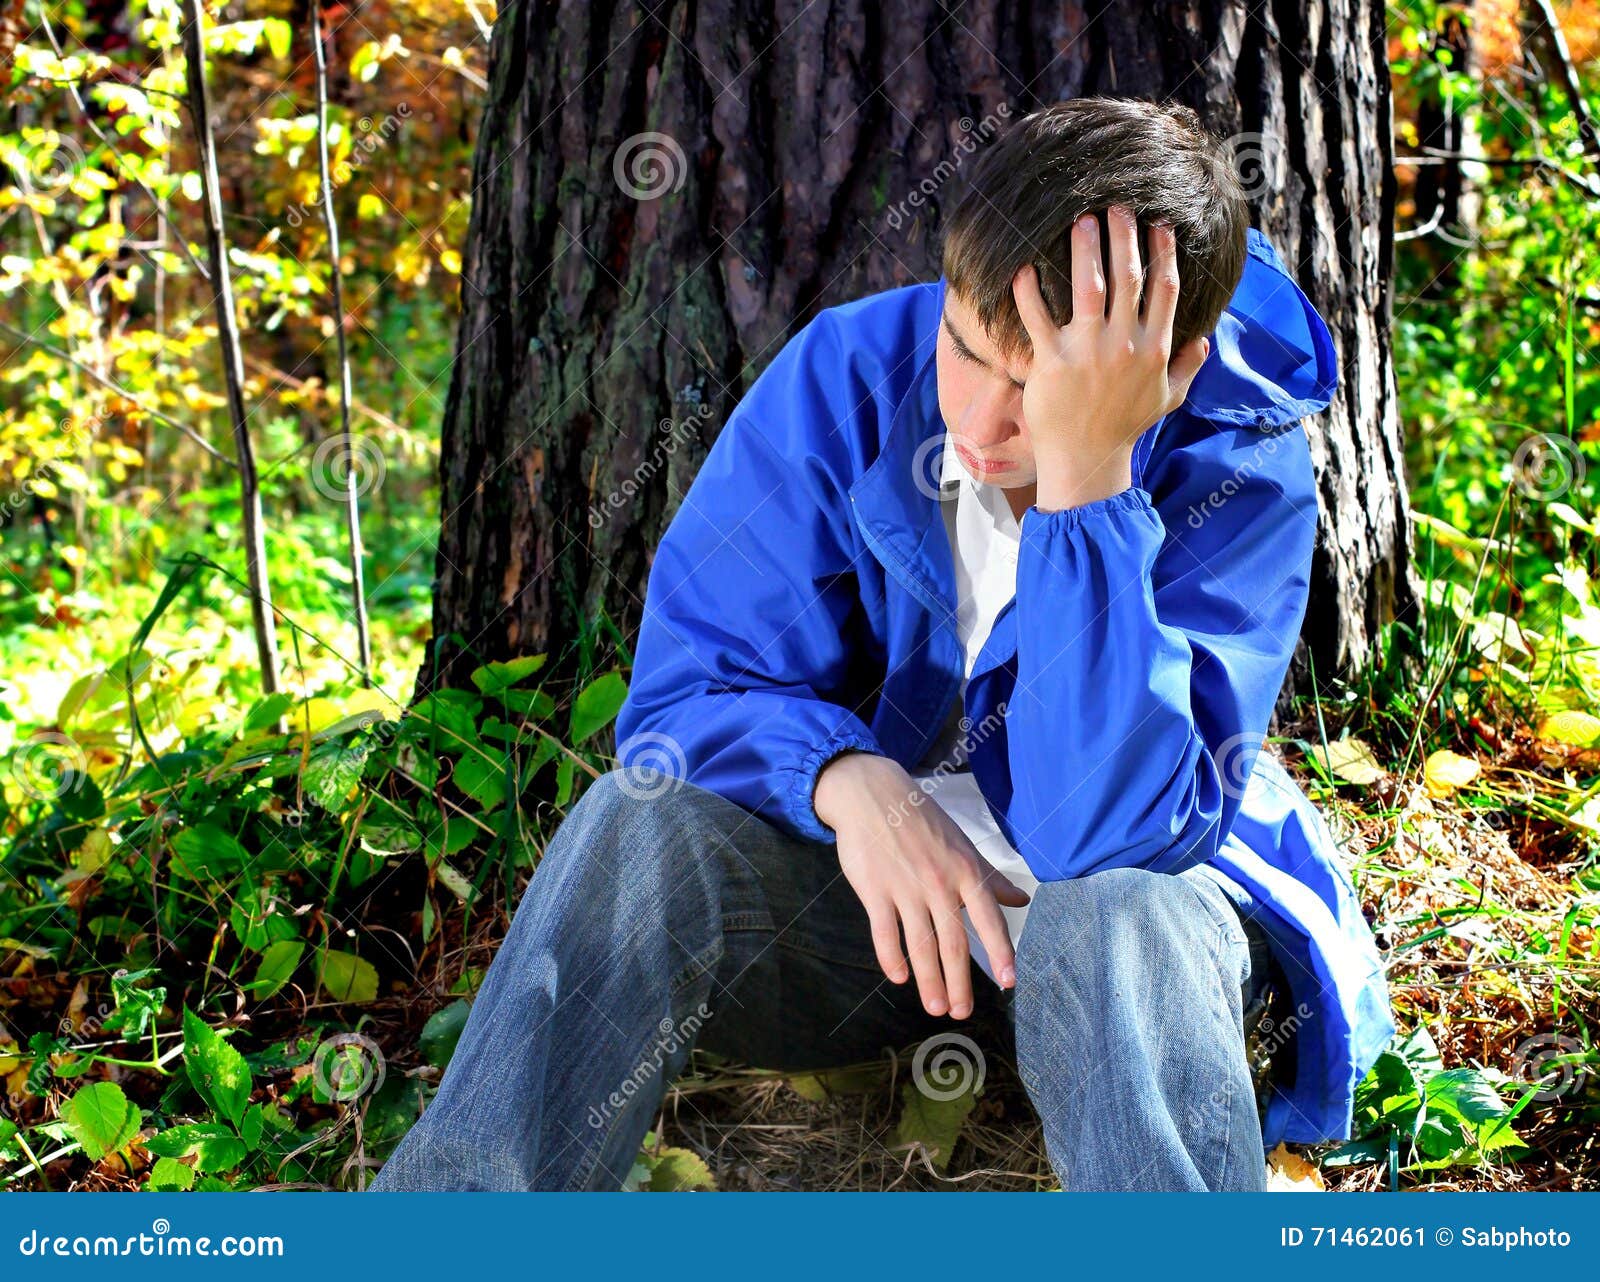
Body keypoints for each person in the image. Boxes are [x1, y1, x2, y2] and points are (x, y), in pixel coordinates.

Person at [373, 96, 1393, 1193]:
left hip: (1139, 961)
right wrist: (843, 777)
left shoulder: (1237, 464)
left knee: (1111, 913)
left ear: (1171, 368)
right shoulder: (845, 378)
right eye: (966, 347)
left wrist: (1088, 488)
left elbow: (1108, 833)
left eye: (1041, 383)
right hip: (885, 942)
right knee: (638, 820)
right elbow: (681, 699)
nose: (988, 420)